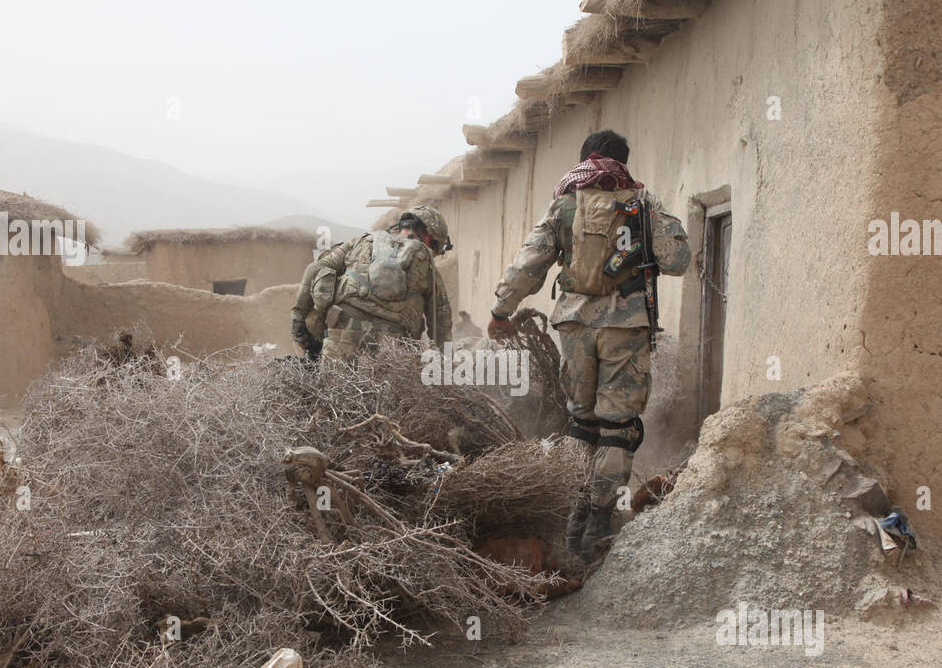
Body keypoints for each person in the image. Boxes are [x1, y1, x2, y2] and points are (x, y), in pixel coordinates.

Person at [486, 129, 691, 558]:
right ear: (624, 162)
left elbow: (529, 263)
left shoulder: (563, 203)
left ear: (585, 160)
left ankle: (574, 515)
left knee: (581, 421)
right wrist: (648, 215)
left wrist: (501, 311)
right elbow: (677, 260)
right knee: (617, 425)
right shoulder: (640, 203)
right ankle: (599, 520)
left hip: (575, 326)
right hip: (626, 327)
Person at [292, 205, 453, 361]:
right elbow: (440, 318)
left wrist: (298, 319)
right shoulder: (426, 262)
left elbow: (316, 267)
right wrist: (445, 365)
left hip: (342, 337)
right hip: (395, 350)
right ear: (429, 236)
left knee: (333, 387)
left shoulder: (362, 242)